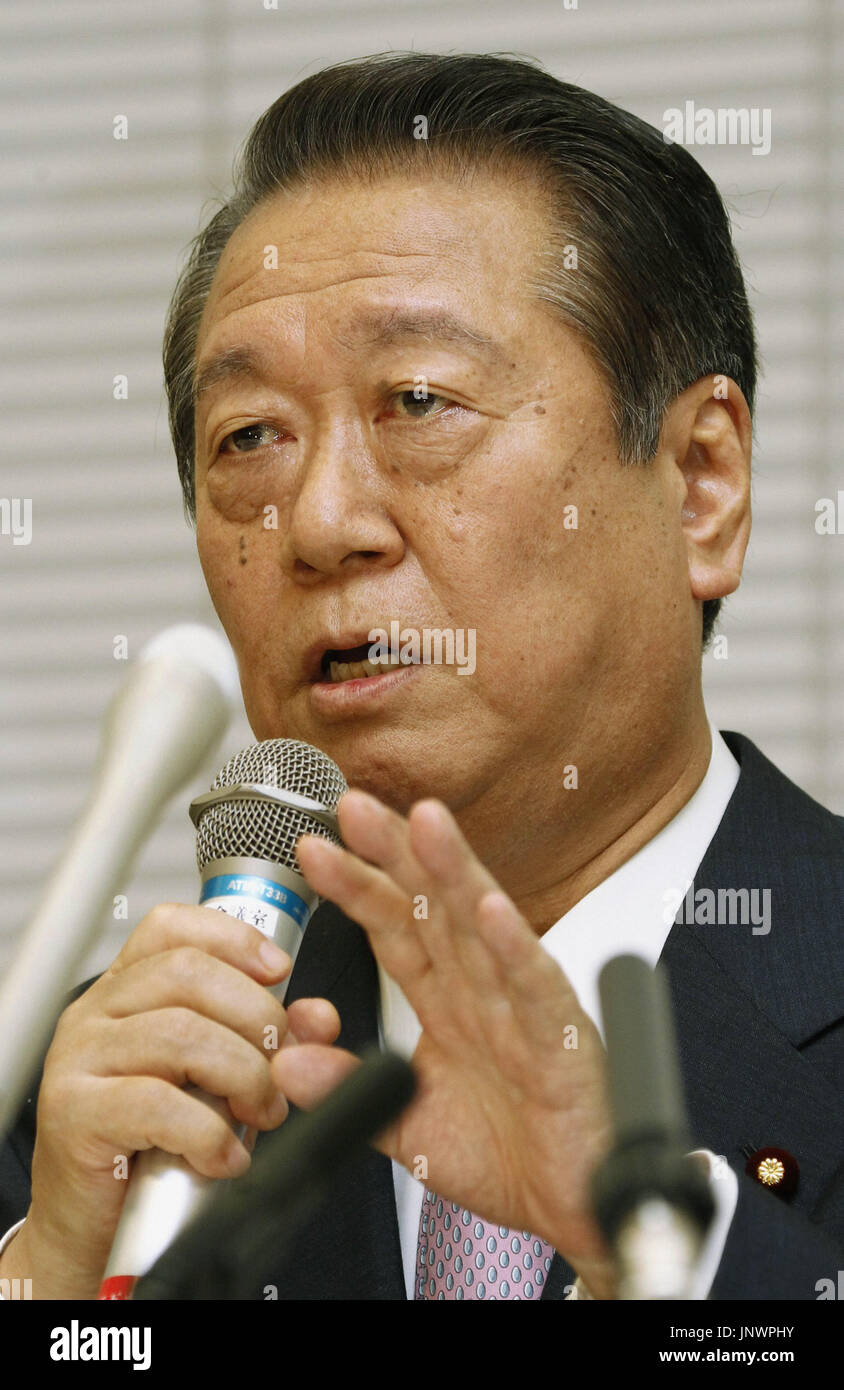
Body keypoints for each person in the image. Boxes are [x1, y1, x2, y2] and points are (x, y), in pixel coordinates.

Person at [1, 52, 841, 1301]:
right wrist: (56, 1278)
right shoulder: (114, 1117)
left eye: (417, 400)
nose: (321, 519)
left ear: (700, 485)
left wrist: (659, 1252)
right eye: (251, 438)